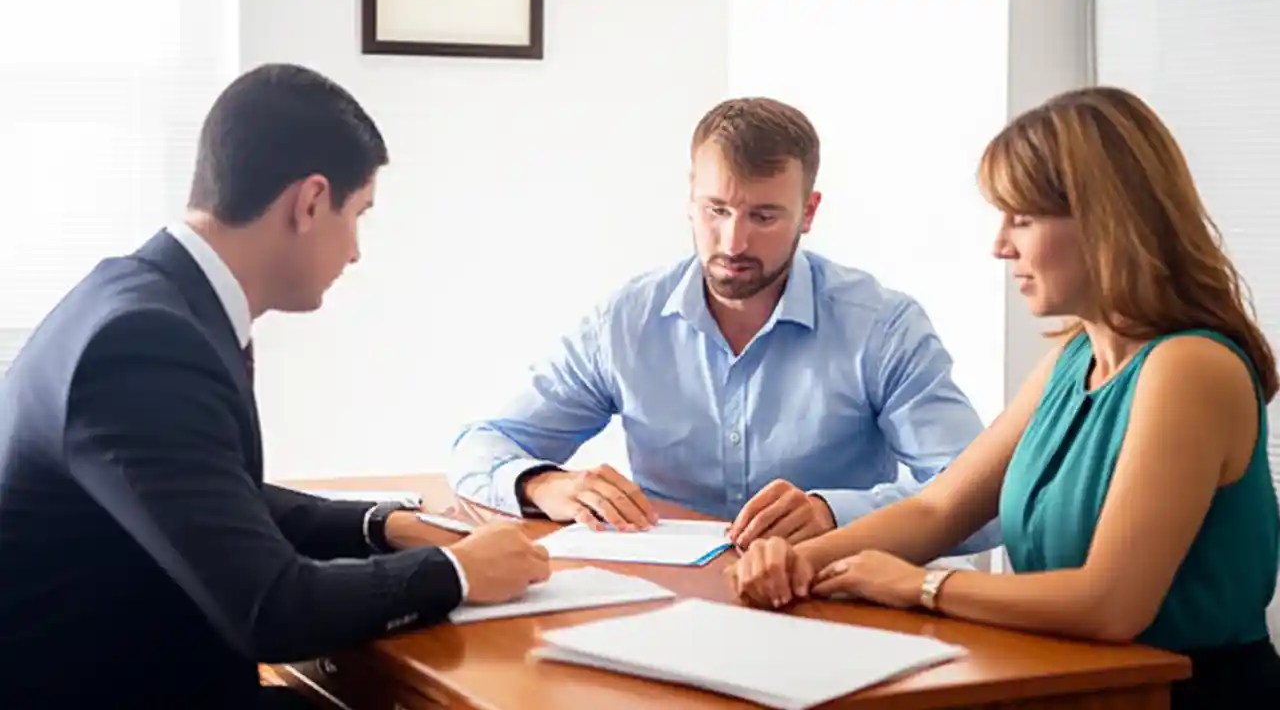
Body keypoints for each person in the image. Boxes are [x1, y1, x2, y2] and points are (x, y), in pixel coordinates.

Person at [0, 63, 550, 709]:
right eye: (359, 214)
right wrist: (457, 572)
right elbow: (273, 611)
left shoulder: (143, 296)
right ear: (310, 202)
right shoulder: (147, 341)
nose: (355, 253)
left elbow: (208, 496)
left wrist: (383, 525)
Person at [728, 86, 1280, 706]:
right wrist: (798, 560)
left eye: (1023, 219)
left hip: (1185, 696)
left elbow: (1110, 605)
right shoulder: (1070, 363)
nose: (1001, 245)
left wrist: (920, 587)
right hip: (1074, 687)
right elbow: (938, 510)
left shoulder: (1190, 368)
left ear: (1107, 220)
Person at [449, 97, 999, 555]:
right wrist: (544, 483)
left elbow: (982, 504)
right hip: (662, 602)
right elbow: (480, 447)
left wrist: (832, 513)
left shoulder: (882, 328)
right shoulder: (626, 321)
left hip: (828, 599)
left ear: (808, 212)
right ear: (690, 198)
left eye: (763, 216)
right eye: (716, 210)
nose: (734, 243)